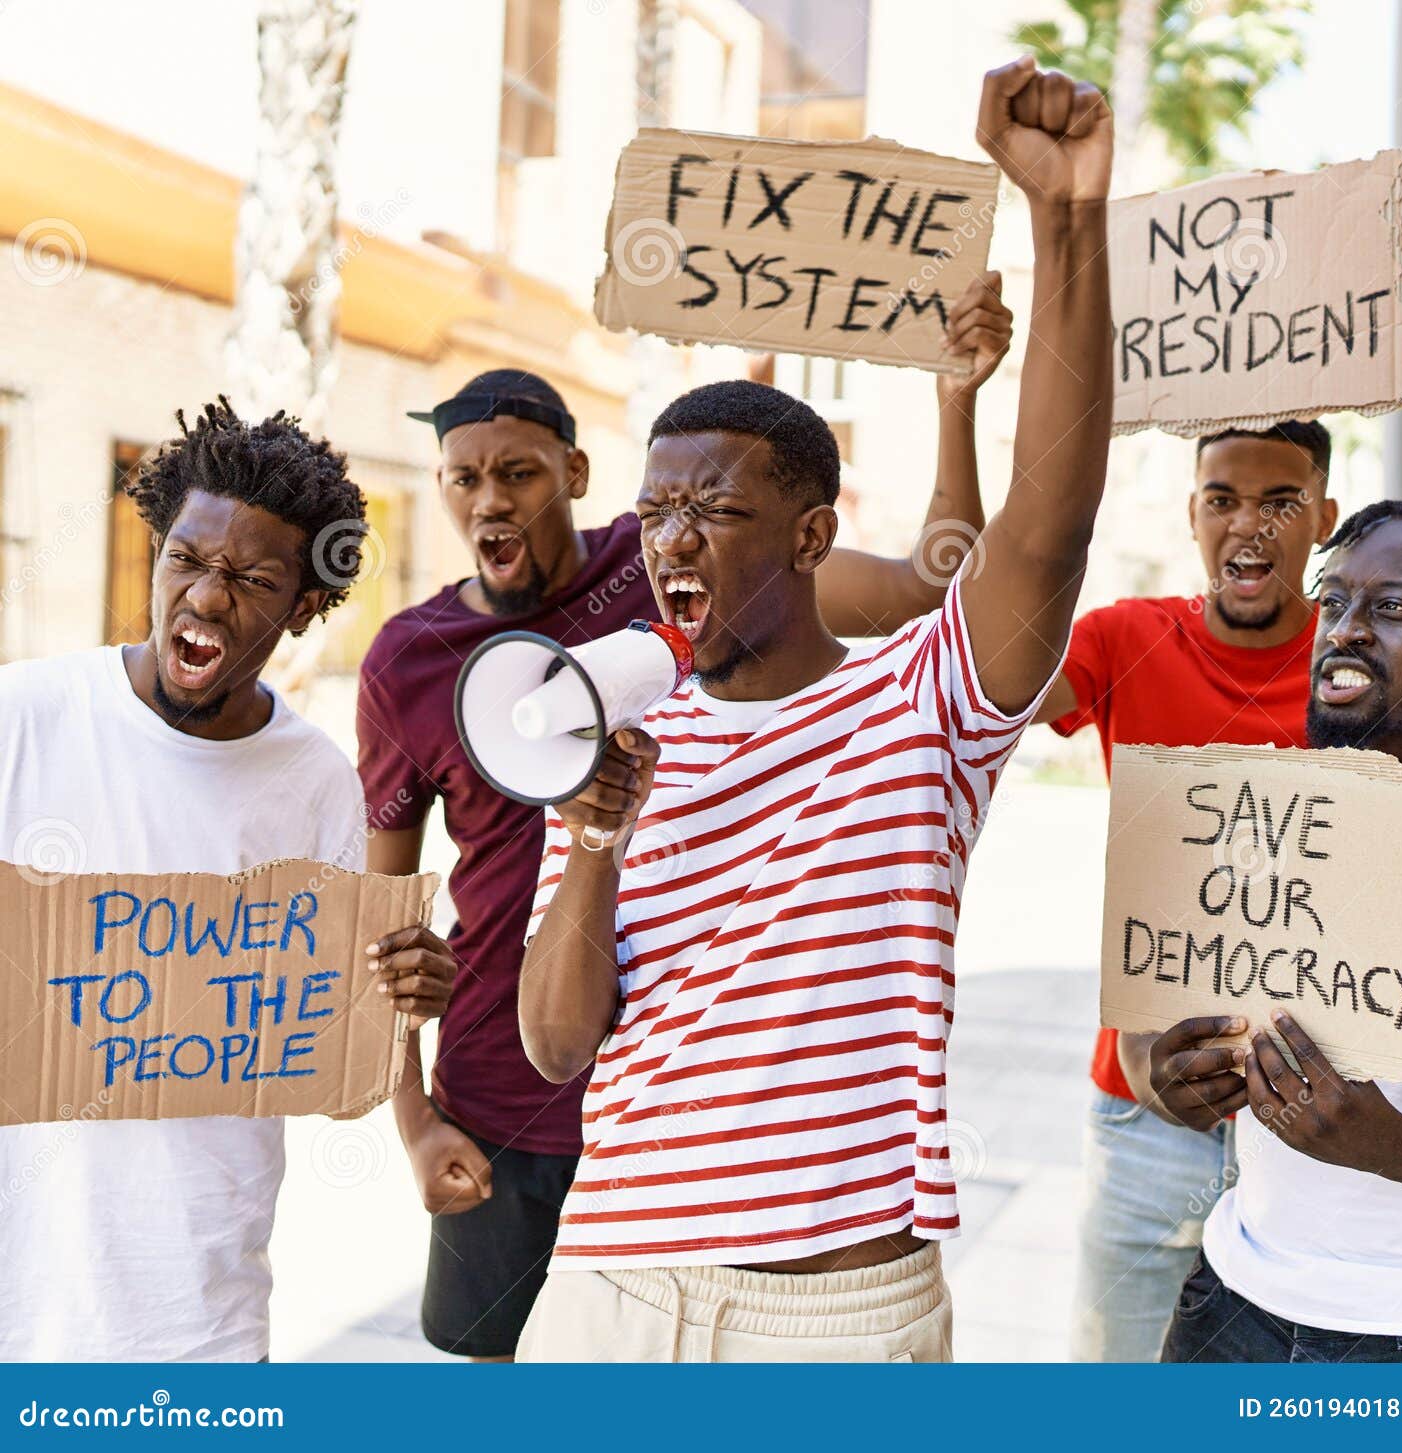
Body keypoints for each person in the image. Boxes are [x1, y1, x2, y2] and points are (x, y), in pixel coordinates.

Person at [511, 56, 1112, 1363]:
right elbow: (556, 1048)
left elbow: (1047, 531)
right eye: (656, 510)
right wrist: (597, 841)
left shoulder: (920, 707)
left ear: (810, 532)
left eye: (717, 509)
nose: (672, 539)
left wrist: (1067, 223)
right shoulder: (602, 736)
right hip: (612, 1295)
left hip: (833, 1323)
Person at [356, 286, 1014, 1360]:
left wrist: (952, 408)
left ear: (574, 475)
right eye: (463, 478)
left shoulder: (667, 568)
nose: (491, 502)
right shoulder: (406, 657)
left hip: (674, 1113)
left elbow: (926, 591)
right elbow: (376, 915)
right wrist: (412, 1118)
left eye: (518, 472)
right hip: (502, 1083)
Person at [1032, 420, 1402, 1362]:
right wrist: (1165, 1078)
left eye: (1392, 608)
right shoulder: (1260, 815)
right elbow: (1151, 1034)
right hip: (1236, 1311)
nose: (1344, 629)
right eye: (1335, 601)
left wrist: (1398, 1146)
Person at [0, 400, 459, 1362]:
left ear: (302, 605)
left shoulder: (316, 781)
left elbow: (338, 1025)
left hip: (198, 1308)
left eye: (251, 579)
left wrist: (403, 990)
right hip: (21, 1293)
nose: (207, 599)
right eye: (187, 560)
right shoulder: (23, 719)